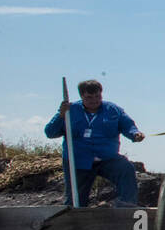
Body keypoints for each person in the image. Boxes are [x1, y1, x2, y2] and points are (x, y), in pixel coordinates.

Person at [44, 79, 146, 207]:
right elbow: (50, 132)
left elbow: (128, 126)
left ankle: (126, 207)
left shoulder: (113, 110)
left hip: (107, 158)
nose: (94, 100)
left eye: (97, 96)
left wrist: (135, 134)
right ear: (82, 96)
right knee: (75, 201)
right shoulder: (70, 110)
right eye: (89, 97)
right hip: (78, 161)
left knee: (126, 169)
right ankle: (76, 221)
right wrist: (61, 116)